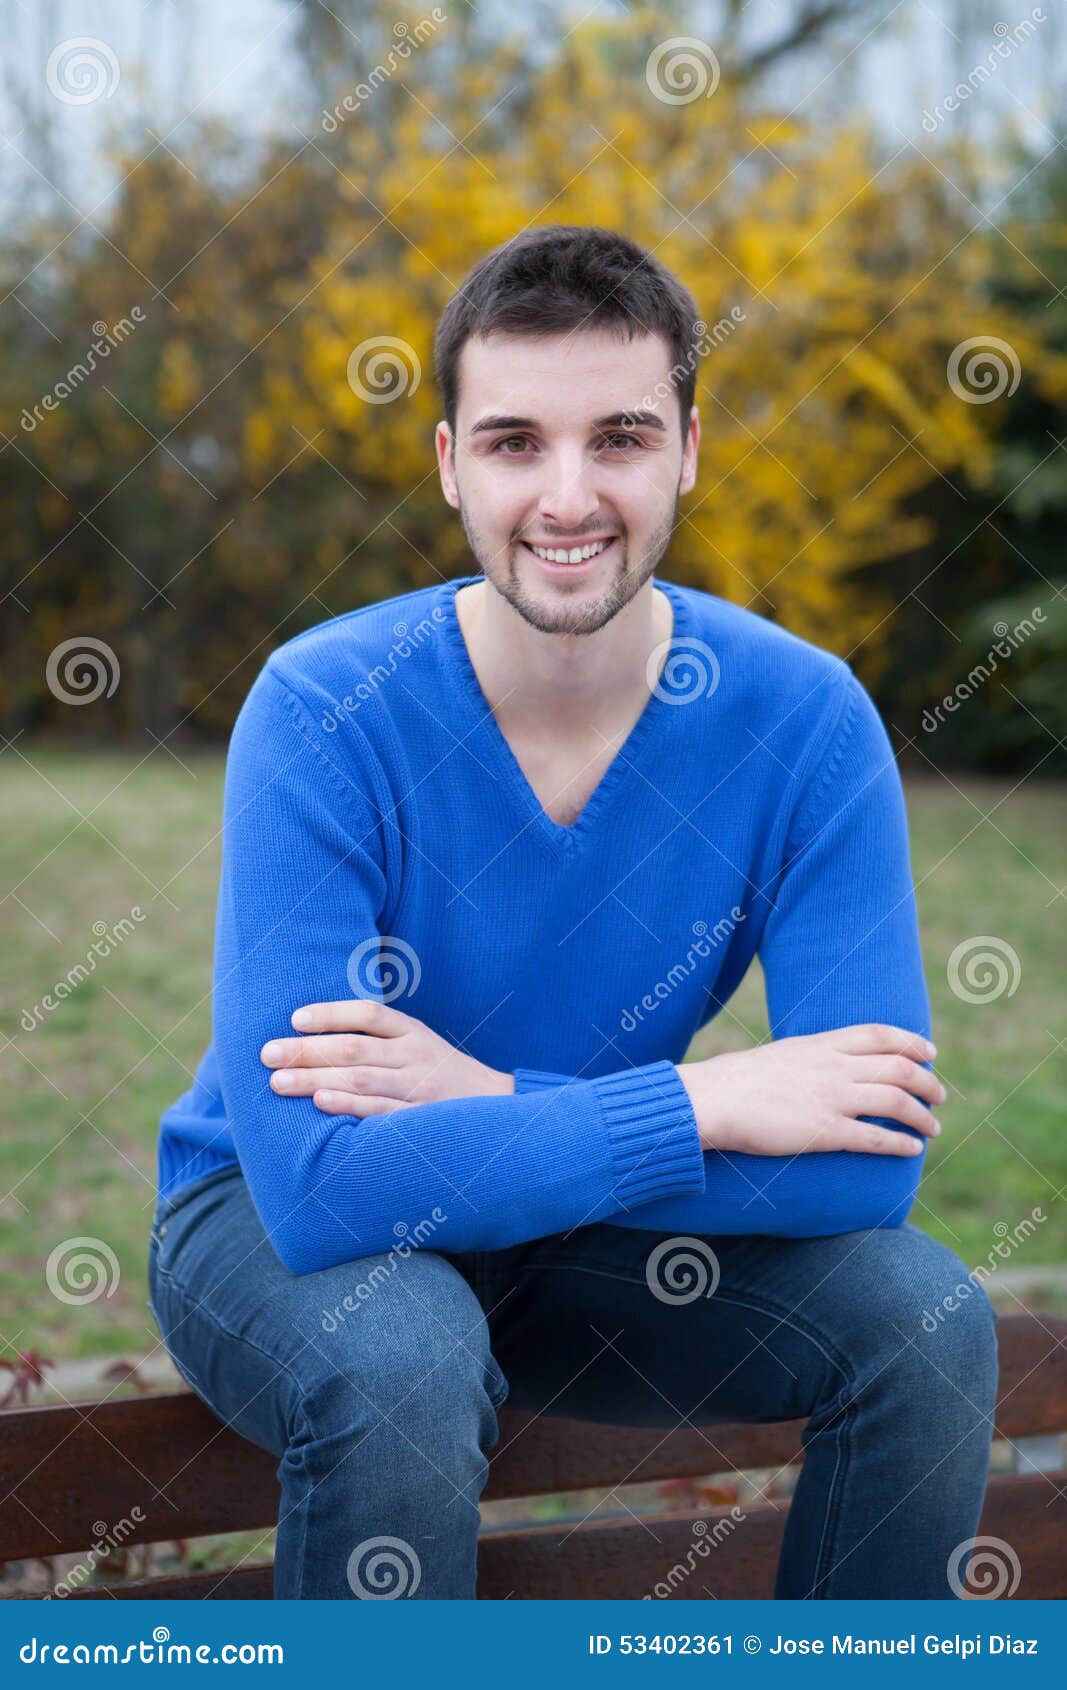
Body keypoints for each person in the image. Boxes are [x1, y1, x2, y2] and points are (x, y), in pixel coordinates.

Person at [148, 224, 998, 1601]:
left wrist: (483, 1091)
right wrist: (703, 1103)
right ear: (447, 464)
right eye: (512, 443)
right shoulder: (324, 707)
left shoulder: (804, 719)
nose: (567, 495)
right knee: (404, 1344)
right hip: (265, 1217)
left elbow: (867, 1164)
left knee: (931, 1316)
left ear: (688, 450)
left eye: (618, 436)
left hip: (581, 1236)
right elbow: (318, 1185)